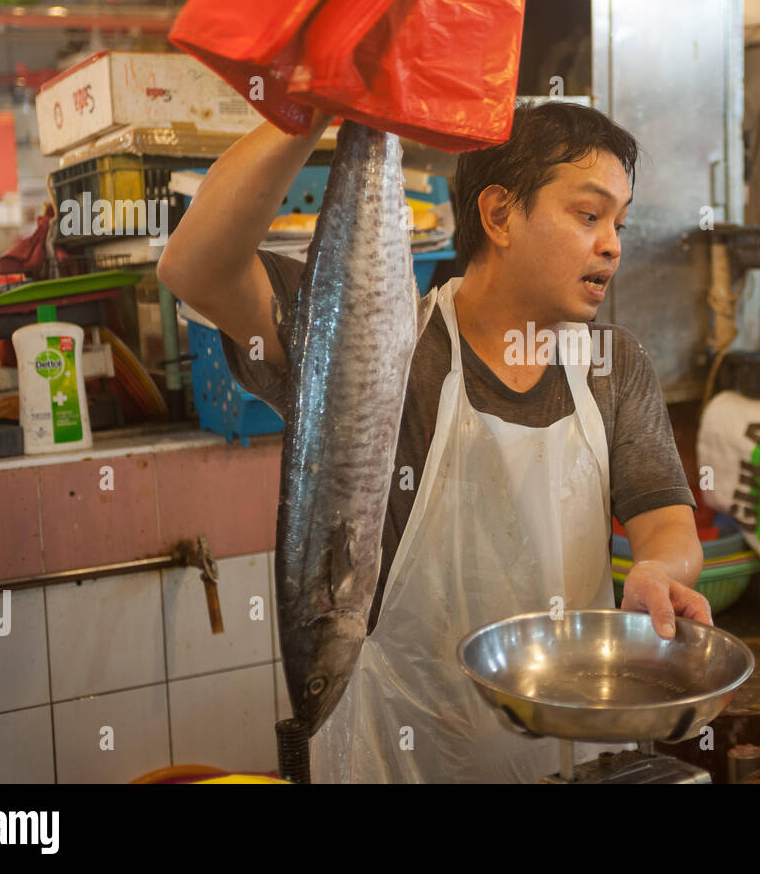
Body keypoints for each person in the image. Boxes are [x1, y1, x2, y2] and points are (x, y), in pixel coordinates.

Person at [158, 101, 711, 782]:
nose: (612, 245)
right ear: (500, 214)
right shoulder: (375, 346)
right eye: (588, 215)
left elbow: (668, 526)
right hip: (402, 764)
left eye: (619, 223)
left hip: (575, 761)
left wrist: (659, 570)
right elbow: (195, 267)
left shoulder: (614, 366)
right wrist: (311, 107)